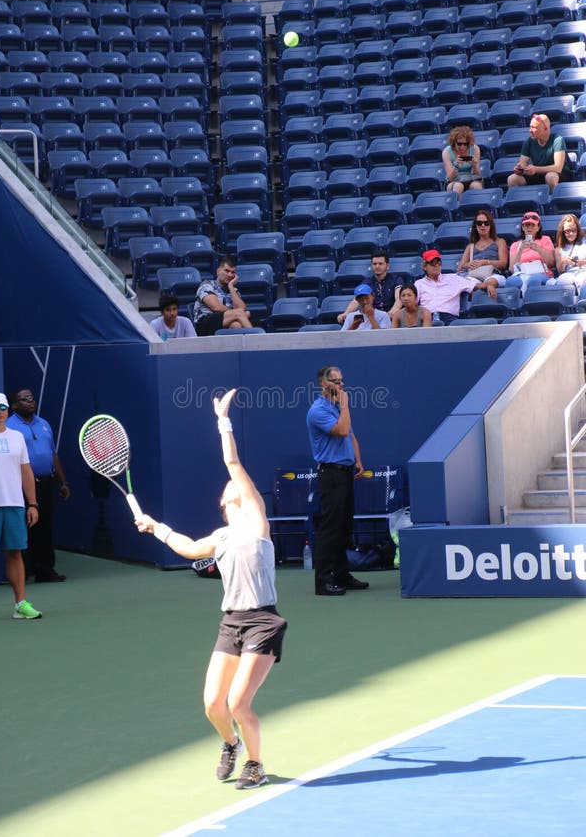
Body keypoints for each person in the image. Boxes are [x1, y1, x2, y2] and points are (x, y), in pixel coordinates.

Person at [135, 388, 287, 791]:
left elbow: (232, 461)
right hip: (231, 623)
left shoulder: (256, 522)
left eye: (241, 486)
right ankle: (231, 744)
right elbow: (187, 548)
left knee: (239, 703)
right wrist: (156, 527)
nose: (236, 486)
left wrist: (223, 419)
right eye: (231, 488)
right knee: (212, 705)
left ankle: (256, 764)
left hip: (263, 622)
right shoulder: (221, 536)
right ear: (224, 503)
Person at [306, 366, 368, 597]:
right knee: (329, 529)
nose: (341, 385)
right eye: (336, 381)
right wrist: (345, 405)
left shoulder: (336, 407)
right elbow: (342, 430)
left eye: (342, 380)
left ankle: (342, 575)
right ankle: (323, 581)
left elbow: (351, 435)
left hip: (345, 472)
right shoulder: (318, 411)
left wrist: (358, 460)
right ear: (324, 384)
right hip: (330, 475)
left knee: (344, 527)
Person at [0, 392, 42, 620]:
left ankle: (20, 605)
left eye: (3, 408)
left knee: (15, 553)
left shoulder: (17, 437)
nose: (0, 412)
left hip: (15, 504)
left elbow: (26, 471)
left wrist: (33, 504)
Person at [7, 388, 70, 583]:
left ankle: (45, 570)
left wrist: (63, 482)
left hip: (46, 482)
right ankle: (25, 571)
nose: (31, 401)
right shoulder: (10, 427)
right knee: (25, 526)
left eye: (32, 398)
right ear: (15, 405)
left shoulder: (44, 424)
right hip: (21, 485)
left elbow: (53, 455)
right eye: (25, 399)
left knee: (45, 526)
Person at [415, 250, 493, 325]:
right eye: (433, 263)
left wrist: (489, 285)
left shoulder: (453, 278)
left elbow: (476, 285)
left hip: (449, 318)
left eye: (439, 263)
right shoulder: (419, 284)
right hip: (427, 318)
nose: (437, 266)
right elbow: (412, 302)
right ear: (424, 266)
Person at [507, 113, 571, 191]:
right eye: (530, 127)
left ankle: (554, 202)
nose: (530, 130)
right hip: (538, 174)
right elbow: (522, 165)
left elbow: (558, 168)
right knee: (512, 179)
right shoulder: (529, 142)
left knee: (550, 177)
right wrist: (520, 170)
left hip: (558, 174)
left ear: (545, 129)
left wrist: (536, 169)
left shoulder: (557, 140)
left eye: (534, 128)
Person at [337, 250, 404, 324]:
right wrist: (346, 313)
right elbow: (356, 301)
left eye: (380, 264)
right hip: (373, 317)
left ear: (387, 266)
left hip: (392, 317)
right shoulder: (367, 282)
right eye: (374, 264)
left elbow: (399, 298)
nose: (377, 266)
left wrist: (393, 311)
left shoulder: (396, 279)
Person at [193, 256, 253, 336]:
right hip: (206, 323)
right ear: (218, 271)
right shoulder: (207, 285)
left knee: (236, 325)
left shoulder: (234, 290)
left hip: (224, 321)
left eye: (233, 272)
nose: (229, 275)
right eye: (226, 271)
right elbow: (216, 307)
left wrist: (231, 286)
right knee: (241, 314)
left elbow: (242, 309)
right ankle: (258, 340)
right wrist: (236, 313)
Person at [456, 210, 508, 292]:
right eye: (479, 223)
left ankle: (483, 286)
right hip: (474, 276)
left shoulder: (499, 242)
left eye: (486, 223)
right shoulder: (471, 246)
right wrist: (467, 265)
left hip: (493, 274)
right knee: (466, 282)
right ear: (475, 226)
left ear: (490, 225)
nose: (483, 225)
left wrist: (485, 262)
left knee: (491, 281)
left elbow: (503, 264)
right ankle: (484, 286)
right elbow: (459, 268)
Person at [506, 211, 555, 295]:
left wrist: (539, 250)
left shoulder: (545, 239)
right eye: (527, 225)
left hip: (542, 273)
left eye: (533, 225)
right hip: (523, 273)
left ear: (538, 227)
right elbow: (511, 269)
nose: (529, 228)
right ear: (523, 227)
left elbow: (551, 263)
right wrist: (520, 251)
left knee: (534, 280)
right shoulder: (515, 245)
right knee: (511, 281)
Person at [442, 125, 483, 196]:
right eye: (459, 144)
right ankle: (459, 207)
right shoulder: (446, 152)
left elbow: (478, 174)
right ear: (454, 142)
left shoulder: (475, 149)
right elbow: (450, 178)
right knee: (458, 186)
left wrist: (474, 166)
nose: (462, 147)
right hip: (454, 181)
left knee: (477, 186)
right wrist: (456, 166)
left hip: (471, 178)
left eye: (465, 144)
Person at [549, 214, 586, 291]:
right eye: (568, 231)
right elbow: (560, 271)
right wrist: (563, 262)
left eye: (574, 230)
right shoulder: (559, 248)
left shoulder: (584, 241)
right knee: (563, 281)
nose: (571, 233)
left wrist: (582, 262)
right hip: (569, 273)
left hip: (583, 270)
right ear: (563, 232)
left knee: (582, 280)